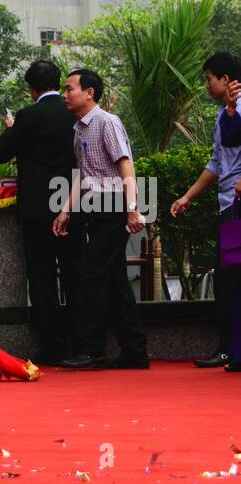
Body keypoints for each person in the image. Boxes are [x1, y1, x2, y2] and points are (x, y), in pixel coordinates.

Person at [52, 68, 149, 369]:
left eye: (70, 89)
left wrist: (132, 208)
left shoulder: (108, 123)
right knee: (116, 281)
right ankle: (134, 352)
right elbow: (84, 175)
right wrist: (66, 209)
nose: (65, 95)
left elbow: (126, 167)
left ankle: (92, 350)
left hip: (114, 207)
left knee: (90, 275)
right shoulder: (79, 128)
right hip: (95, 207)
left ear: (89, 92)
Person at [0, 58, 80, 365]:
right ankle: (82, 345)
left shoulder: (27, 117)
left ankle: (54, 348)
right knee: (74, 275)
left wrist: (14, 130)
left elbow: (1, 152)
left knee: (42, 279)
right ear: (58, 84)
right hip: (72, 203)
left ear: (30, 88)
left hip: (37, 211)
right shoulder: (75, 114)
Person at [170, 52, 241, 370]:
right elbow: (217, 163)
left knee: (232, 280)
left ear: (226, 79)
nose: (206, 85)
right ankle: (230, 348)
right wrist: (187, 197)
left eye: (209, 78)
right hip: (229, 205)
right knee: (229, 279)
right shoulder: (223, 113)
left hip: (237, 206)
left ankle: (231, 349)